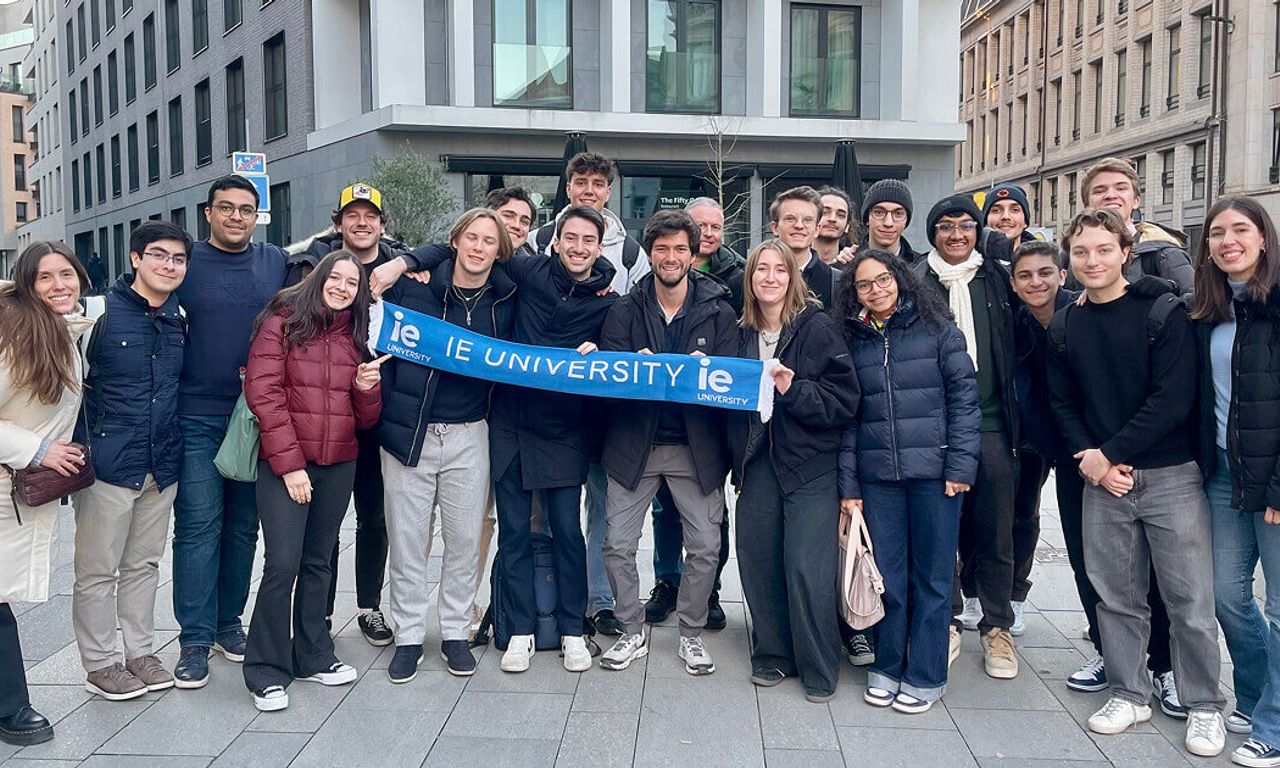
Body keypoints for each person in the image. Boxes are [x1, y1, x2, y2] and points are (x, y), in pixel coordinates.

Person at [401, 205, 618, 673]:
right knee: (515, 531)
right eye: (570, 238)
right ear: (555, 241)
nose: (578, 248)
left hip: (563, 429)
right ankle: (517, 629)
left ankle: (572, 630)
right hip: (509, 423)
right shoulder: (526, 268)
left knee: (566, 532)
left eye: (588, 241)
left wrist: (601, 349)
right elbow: (468, 243)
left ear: (599, 248)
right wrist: (409, 262)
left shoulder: (608, 299)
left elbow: (621, 352)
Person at [1047, 208, 1224, 756]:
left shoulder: (1162, 310)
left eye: (1103, 249)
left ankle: (1204, 705)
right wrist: (1091, 459)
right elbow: (1062, 401)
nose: (1092, 260)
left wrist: (1108, 455)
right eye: (1081, 252)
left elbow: (1173, 399)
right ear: (1069, 260)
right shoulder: (1067, 322)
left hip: (1169, 475)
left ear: (1126, 251)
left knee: (1189, 598)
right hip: (1105, 480)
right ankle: (1129, 691)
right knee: (1117, 597)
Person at [836, 248, 981, 714]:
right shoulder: (852, 337)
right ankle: (888, 666)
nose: (876, 290)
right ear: (853, 291)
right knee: (889, 580)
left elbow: (964, 400)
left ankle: (926, 674)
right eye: (864, 284)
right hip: (878, 479)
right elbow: (848, 420)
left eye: (883, 280)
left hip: (936, 476)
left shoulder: (939, 329)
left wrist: (961, 466)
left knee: (934, 581)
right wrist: (850, 486)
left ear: (899, 278)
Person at [596, 209, 737, 675]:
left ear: (693, 255)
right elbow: (610, 377)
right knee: (617, 543)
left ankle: (691, 633)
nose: (670, 257)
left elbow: (732, 377)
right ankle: (631, 629)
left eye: (680, 249)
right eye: (661, 249)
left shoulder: (719, 309)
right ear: (650, 254)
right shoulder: (623, 308)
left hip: (695, 448)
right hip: (634, 444)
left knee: (705, 547)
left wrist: (707, 373)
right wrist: (631, 371)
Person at [378, 209, 517, 682]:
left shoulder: (506, 298)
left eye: (489, 241)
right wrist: (406, 261)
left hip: (470, 432)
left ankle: (455, 631)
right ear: (455, 241)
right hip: (409, 427)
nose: (479, 247)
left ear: (499, 251)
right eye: (471, 237)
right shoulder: (414, 285)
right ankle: (409, 636)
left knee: (462, 541)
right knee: (408, 540)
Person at [241, 251, 382, 712]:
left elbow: (364, 419)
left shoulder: (356, 336)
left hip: (338, 462)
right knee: (283, 562)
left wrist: (367, 389)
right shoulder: (281, 322)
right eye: (335, 277)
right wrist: (290, 465)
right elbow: (264, 394)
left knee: (320, 561)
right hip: (287, 463)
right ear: (319, 277)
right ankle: (265, 668)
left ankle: (314, 654)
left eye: (352, 282)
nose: (342, 286)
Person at [171, 175, 290, 688]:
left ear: (257, 215)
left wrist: (409, 265)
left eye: (246, 209)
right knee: (198, 528)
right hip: (197, 414)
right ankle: (194, 640)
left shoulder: (275, 261)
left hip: (255, 415)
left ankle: (227, 624)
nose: (236, 217)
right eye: (227, 208)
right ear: (208, 213)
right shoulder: (186, 262)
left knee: (243, 528)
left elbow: (341, 263)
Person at [730, 239, 858, 702]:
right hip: (758, 461)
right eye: (760, 269)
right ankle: (772, 653)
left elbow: (845, 401)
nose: (769, 277)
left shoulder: (817, 328)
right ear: (750, 279)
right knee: (758, 558)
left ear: (792, 278)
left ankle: (819, 664)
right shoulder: (739, 331)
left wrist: (794, 388)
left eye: (778, 270)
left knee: (806, 566)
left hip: (809, 464)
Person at [71, 222, 192, 701]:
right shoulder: (97, 313)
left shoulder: (180, 318)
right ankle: (100, 663)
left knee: (144, 563)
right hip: (108, 464)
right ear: (135, 258)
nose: (169, 265)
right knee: (97, 569)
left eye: (178, 259)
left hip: (162, 465)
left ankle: (140, 652)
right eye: (158, 255)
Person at [289, 184, 407, 647]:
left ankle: (369, 606)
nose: (362, 223)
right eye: (352, 215)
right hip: (326, 415)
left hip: (378, 411)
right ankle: (319, 610)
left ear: (382, 223)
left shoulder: (404, 269)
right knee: (325, 521)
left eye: (370, 216)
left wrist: (409, 265)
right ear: (338, 222)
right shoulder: (306, 266)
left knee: (374, 516)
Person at [913, 195, 1021, 680]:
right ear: (932, 232)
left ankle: (997, 624)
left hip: (993, 419)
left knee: (996, 526)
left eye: (965, 226)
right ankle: (949, 618)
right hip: (935, 422)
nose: (956, 235)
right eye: (945, 226)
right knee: (942, 526)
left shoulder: (998, 277)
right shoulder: (916, 280)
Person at [1192, 196, 1280, 766]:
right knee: (1226, 598)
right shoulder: (1211, 312)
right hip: (1225, 477)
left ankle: (1274, 722)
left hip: (1274, 483)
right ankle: (1254, 693)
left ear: (1264, 239)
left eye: (1240, 230)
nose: (1228, 241)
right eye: (1217, 233)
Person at [0, 242, 94, 745]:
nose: (60, 285)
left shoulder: (58, 328)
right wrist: (37, 449)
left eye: (67, 274)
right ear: (26, 284)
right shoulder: (14, 336)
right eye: (45, 278)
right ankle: (13, 707)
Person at [640, 197, 744, 634]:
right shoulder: (646, 283)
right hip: (657, 427)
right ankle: (667, 582)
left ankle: (710, 591)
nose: (708, 234)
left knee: (709, 517)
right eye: (701, 225)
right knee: (665, 512)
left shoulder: (735, 279)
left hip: (704, 426)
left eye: (714, 227)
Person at [1079, 157, 1195, 299]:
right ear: (1086, 205)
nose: (1110, 196)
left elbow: (1198, 306)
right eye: (1099, 191)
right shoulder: (1072, 259)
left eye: (1121, 188)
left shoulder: (1166, 255)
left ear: (1136, 201)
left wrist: (1171, 293)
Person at [769, 186, 840, 309]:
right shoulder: (752, 279)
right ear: (775, 227)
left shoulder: (837, 283)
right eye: (790, 219)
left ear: (817, 229)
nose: (799, 226)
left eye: (807, 220)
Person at [815, 186, 856, 265]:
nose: (832, 219)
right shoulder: (791, 262)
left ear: (848, 226)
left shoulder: (854, 266)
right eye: (825, 212)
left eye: (840, 215)